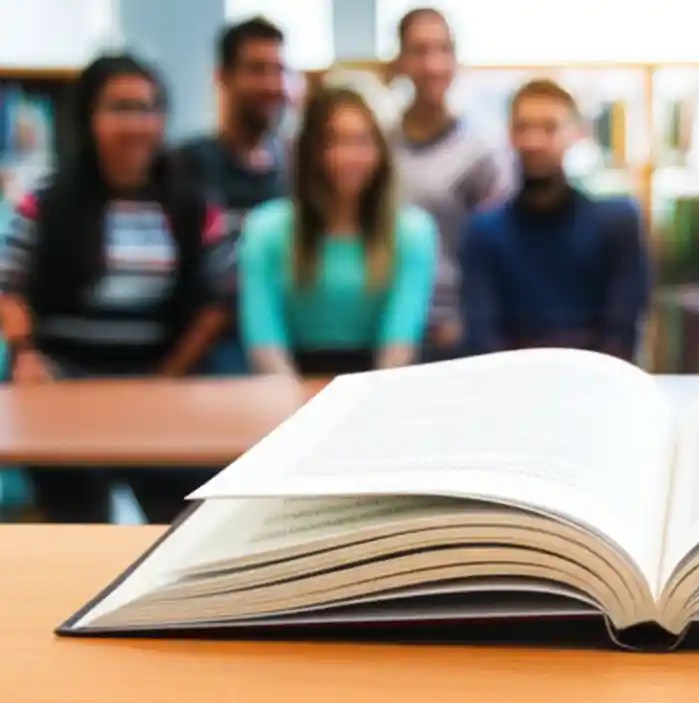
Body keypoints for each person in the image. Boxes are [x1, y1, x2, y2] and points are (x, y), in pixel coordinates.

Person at [0, 55, 230, 522]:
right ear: (89, 118)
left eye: (146, 109)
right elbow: (9, 284)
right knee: (77, 515)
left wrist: (171, 373)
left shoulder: (190, 203)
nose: (135, 123)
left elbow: (220, 295)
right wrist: (24, 352)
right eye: (119, 108)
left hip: (160, 385)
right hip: (60, 386)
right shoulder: (44, 200)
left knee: (184, 515)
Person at [239, 87, 437, 377]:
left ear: (381, 151)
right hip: (287, 385)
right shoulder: (265, 229)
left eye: (362, 141)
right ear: (311, 150)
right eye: (334, 142)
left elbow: (399, 344)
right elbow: (264, 341)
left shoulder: (413, 232)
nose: (349, 157)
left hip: (377, 385)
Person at [460, 79, 649, 359]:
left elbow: (621, 336)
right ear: (509, 135)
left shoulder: (617, 225)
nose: (534, 141)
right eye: (523, 128)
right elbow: (482, 338)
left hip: (598, 388)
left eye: (549, 128)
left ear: (577, 134)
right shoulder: (484, 231)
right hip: (509, 388)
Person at [393, 7, 511, 360]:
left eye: (443, 50)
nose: (432, 65)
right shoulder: (378, 143)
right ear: (400, 60)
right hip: (385, 318)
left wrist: (467, 317)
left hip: (451, 327)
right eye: (419, 50)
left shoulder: (482, 149)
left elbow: (497, 249)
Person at [177, 16, 289, 375]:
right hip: (212, 345)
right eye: (257, 70)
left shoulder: (295, 170)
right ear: (222, 77)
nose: (271, 84)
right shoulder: (187, 166)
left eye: (278, 70)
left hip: (286, 336)